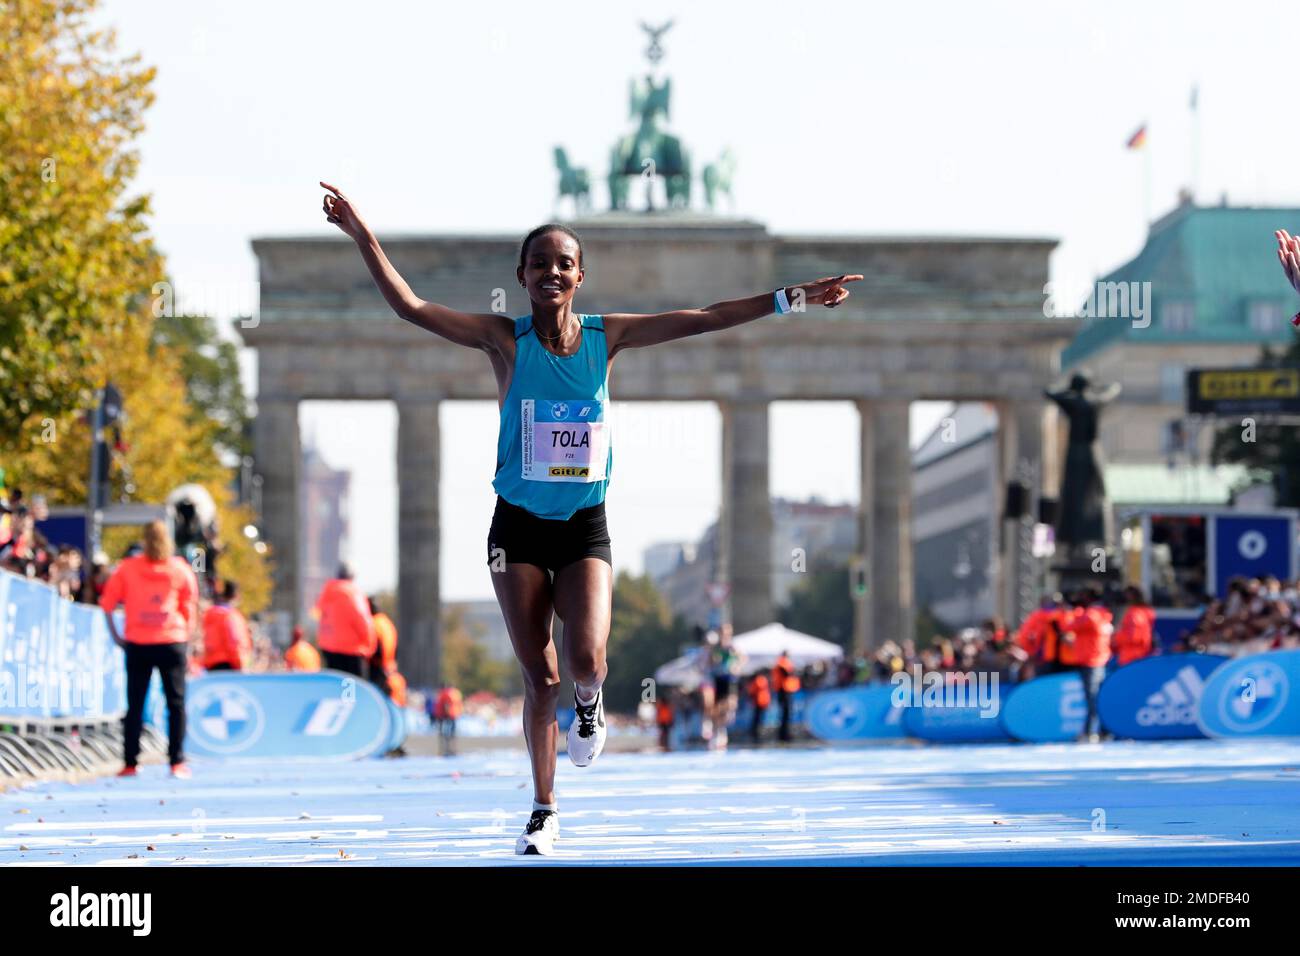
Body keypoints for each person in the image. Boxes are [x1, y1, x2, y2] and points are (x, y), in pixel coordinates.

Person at [320, 182, 860, 855]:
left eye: (562, 263)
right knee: (537, 677)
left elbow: (706, 316)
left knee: (586, 661)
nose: (551, 272)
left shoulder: (610, 337)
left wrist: (795, 297)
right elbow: (410, 306)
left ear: (580, 276)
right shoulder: (503, 341)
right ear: (521, 278)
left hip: (583, 525)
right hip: (515, 527)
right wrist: (361, 233)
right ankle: (543, 809)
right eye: (538, 263)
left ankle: (592, 702)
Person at [98, 520, 199, 778]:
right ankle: (176, 761)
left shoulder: (127, 568)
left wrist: (116, 635)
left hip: (138, 642)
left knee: (135, 704)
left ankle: (130, 762)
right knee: (175, 704)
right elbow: (191, 605)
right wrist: (187, 637)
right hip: (171, 640)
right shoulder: (181, 568)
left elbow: (107, 603)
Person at [1058, 587, 1113, 743]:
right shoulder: (1104, 614)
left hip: (1090, 661)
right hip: (1099, 659)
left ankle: (1091, 731)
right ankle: (1102, 731)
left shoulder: (1090, 615)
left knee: (1092, 699)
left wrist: (1070, 611)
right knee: (1097, 698)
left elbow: (1068, 627)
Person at [314, 561, 376, 677]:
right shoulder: (352, 593)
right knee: (351, 689)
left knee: (335, 687)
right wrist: (369, 645)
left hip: (328, 649)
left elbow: (320, 616)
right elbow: (362, 619)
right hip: (351, 650)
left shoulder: (327, 592)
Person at [201, 579, 251, 672]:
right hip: (230, 664)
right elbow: (234, 641)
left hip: (212, 662)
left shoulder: (210, 614)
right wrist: (240, 663)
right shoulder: (231, 616)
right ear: (236, 595)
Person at [1113, 586, 1156, 667]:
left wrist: (1116, 637)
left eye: (1128, 595)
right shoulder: (1146, 611)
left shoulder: (1134, 613)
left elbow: (1133, 636)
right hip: (1139, 654)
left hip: (1131, 657)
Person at [367, 596, 398, 697]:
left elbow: (376, 648)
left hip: (377, 668)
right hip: (389, 668)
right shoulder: (387, 623)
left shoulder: (373, 623)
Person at [772, 651, 801, 743]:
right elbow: (787, 674)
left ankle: (785, 733)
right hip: (784, 690)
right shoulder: (782, 663)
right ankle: (783, 735)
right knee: (785, 713)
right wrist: (795, 672)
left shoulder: (783, 663)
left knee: (787, 714)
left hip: (786, 690)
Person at [747, 672, 771, 744]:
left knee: (757, 718)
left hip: (760, 702)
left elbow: (752, 691)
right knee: (758, 719)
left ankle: (756, 732)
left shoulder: (758, 680)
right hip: (760, 702)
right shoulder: (761, 680)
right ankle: (756, 733)